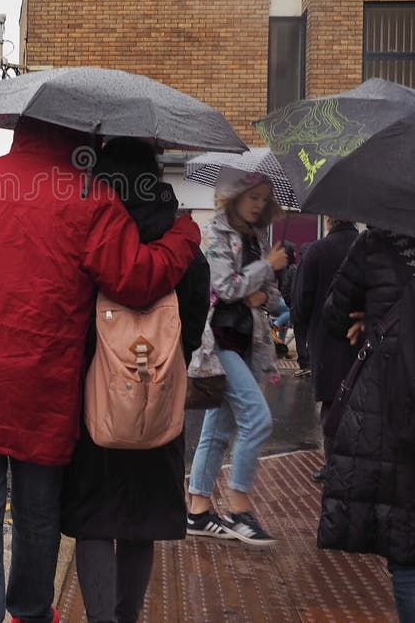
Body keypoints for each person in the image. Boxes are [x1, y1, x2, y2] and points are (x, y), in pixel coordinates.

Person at [0, 118, 202, 623]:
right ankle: (28, 610)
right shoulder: (89, 200)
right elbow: (138, 280)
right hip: (41, 378)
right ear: (78, 139)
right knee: (35, 508)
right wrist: (185, 235)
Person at [60, 137, 209, 623]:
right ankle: (128, 617)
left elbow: (72, 317)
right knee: (140, 522)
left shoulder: (89, 235)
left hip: (97, 398)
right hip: (158, 398)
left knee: (96, 520)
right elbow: (192, 326)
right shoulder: (183, 244)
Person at [317, 226, 415, 621]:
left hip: (391, 406)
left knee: (406, 550)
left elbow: (334, 314)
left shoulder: (376, 241)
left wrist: (375, 321)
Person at [187, 168, 288, 545]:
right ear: (235, 197)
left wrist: (262, 289)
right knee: (257, 419)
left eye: (264, 198)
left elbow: (273, 295)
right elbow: (226, 288)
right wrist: (263, 272)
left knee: (218, 430)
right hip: (218, 344)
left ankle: (197, 511)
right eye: (253, 197)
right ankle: (239, 509)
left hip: (246, 341)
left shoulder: (257, 238)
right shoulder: (215, 233)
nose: (259, 204)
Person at [290, 215, 358, 482]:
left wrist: (302, 327)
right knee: (359, 402)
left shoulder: (317, 251)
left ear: (328, 218)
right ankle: (354, 465)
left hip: (326, 340)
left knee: (331, 404)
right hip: (360, 337)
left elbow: (302, 300)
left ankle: (333, 465)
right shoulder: (364, 246)